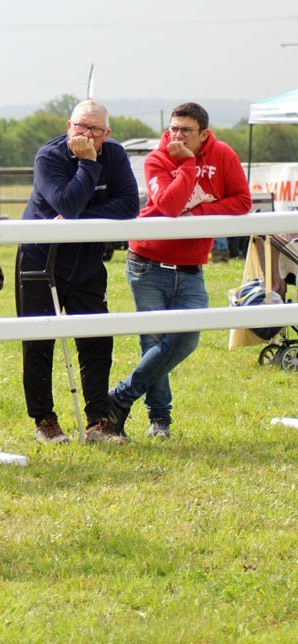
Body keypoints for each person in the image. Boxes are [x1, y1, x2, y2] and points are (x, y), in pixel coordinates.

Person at [107, 102, 251, 439]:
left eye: (186, 130)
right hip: (147, 262)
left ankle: (118, 399)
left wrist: (200, 213)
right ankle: (160, 421)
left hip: (191, 268)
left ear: (204, 133)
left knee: (186, 339)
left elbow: (242, 201)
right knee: (154, 341)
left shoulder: (223, 155)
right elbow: (170, 207)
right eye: (174, 128)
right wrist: (187, 164)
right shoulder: (159, 158)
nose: (177, 135)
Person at [16, 99, 140, 446]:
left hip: (87, 258)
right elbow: (64, 202)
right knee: (38, 341)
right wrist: (87, 164)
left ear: (107, 134)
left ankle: (99, 421)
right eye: (79, 127)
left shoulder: (115, 155)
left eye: (94, 130)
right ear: (68, 126)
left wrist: (82, 218)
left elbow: (130, 205)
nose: (85, 135)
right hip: (42, 258)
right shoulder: (50, 157)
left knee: (97, 339)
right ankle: (45, 420)